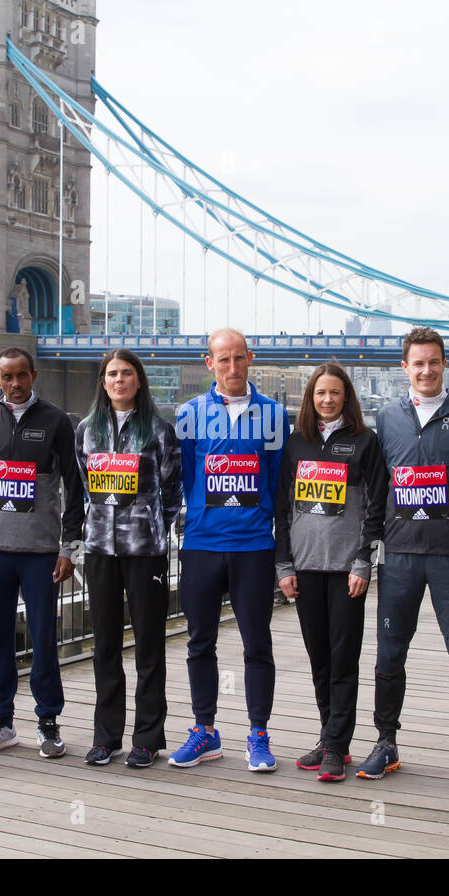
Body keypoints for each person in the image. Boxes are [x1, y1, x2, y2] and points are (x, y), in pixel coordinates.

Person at [357, 326, 449, 787]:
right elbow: (379, 487)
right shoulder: (388, 418)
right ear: (404, 368)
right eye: (418, 363)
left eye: (434, 362)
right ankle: (386, 741)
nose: (426, 370)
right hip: (399, 555)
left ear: (444, 364)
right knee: (389, 654)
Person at [0, 347, 84, 759]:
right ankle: (0, 721)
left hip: (42, 553)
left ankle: (49, 722)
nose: (15, 384)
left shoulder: (56, 422)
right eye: (7, 377)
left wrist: (69, 547)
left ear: (34, 375)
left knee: (44, 638)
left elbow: (74, 487)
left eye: (22, 376)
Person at [171, 328, 289, 771]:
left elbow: (279, 485)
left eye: (239, 359)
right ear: (210, 364)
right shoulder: (188, 414)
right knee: (200, 642)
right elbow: (185, 476)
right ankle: (205, 730)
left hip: (254, 546)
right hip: (202, 543)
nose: (233, 368)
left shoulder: (275, 415)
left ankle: (258, 733)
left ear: (250, 358)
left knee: (257, 643)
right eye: (224, 360)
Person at [276, 362, 386, 782]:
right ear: (310, 398)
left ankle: (338, 746)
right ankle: (327, 736)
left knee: (343, 659)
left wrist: (364, 561)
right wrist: (284, 566)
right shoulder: (296, 445)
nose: (327, 400)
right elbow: (282, 511)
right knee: (319, 658)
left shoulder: (365, 442)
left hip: (345, 570)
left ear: (346, 398)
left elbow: (376, 509)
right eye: (320, 393)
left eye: (335, 393)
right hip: (305, 567)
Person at [75, 350, 183, 768]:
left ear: (139, 380)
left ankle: (148, 738)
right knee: (104, 646)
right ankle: (106, 737)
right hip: (100, 550)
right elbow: (85, 486)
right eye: (111, 374)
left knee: (149, 647)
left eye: (127, 373)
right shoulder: (86, 430)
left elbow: (173, 491)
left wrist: (151, 524)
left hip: (146, 552)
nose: (119, 380)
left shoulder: (159, 430)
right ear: (103, 382)